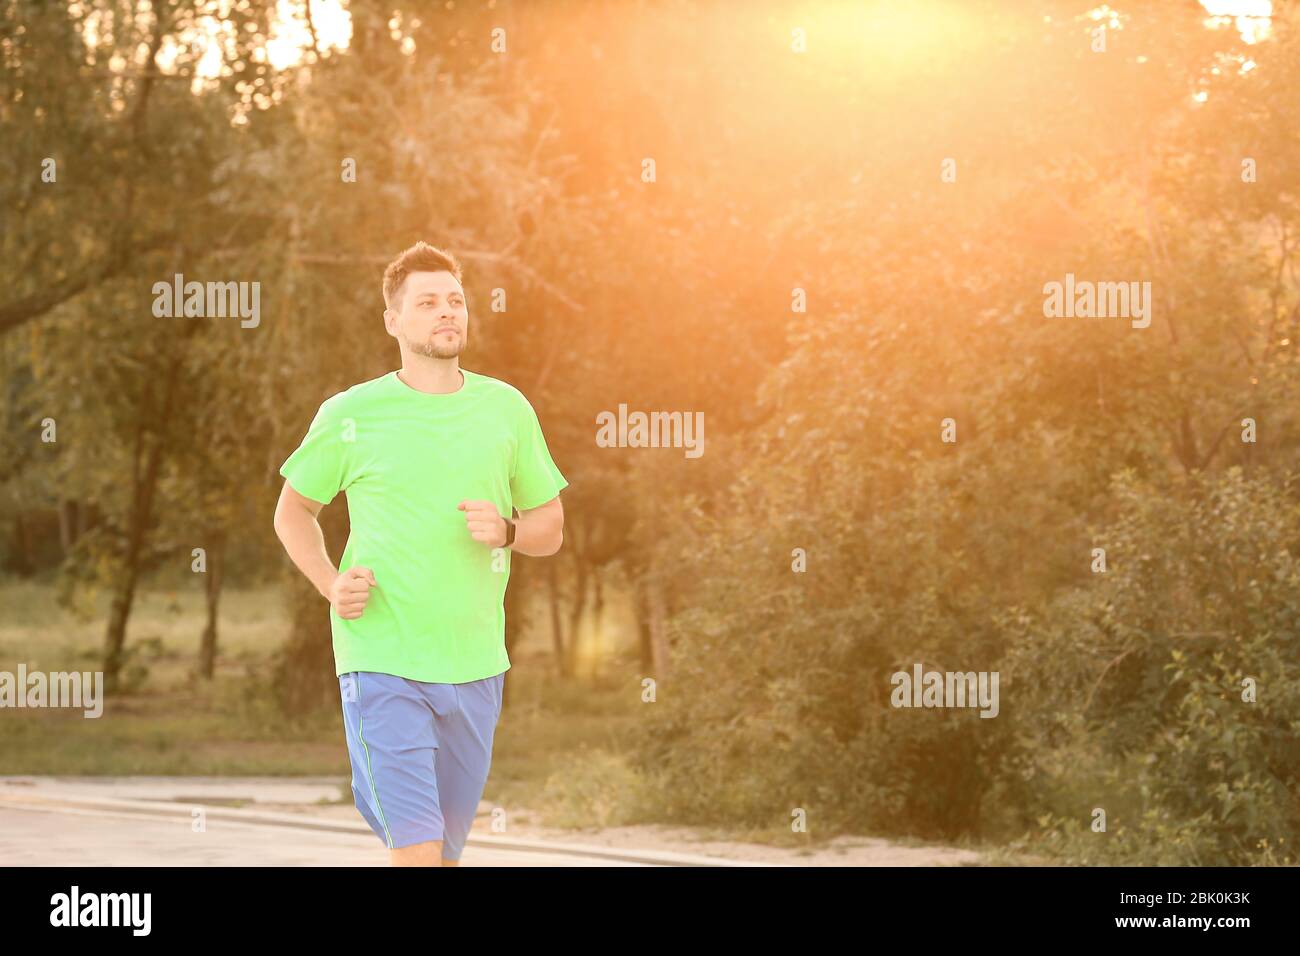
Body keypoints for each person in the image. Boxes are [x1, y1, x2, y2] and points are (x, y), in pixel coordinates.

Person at [272, 241, 567, 866]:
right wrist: (330, 583)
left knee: (445, 857)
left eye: (455, 300)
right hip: (382, 659)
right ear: (394, 321)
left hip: (476, 666)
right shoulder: (352, 414)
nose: (446, 312)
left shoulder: (505, 409)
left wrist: (511, 531)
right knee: (418, 851)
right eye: (427, 302)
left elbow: (551, 526)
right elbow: (293, 511)